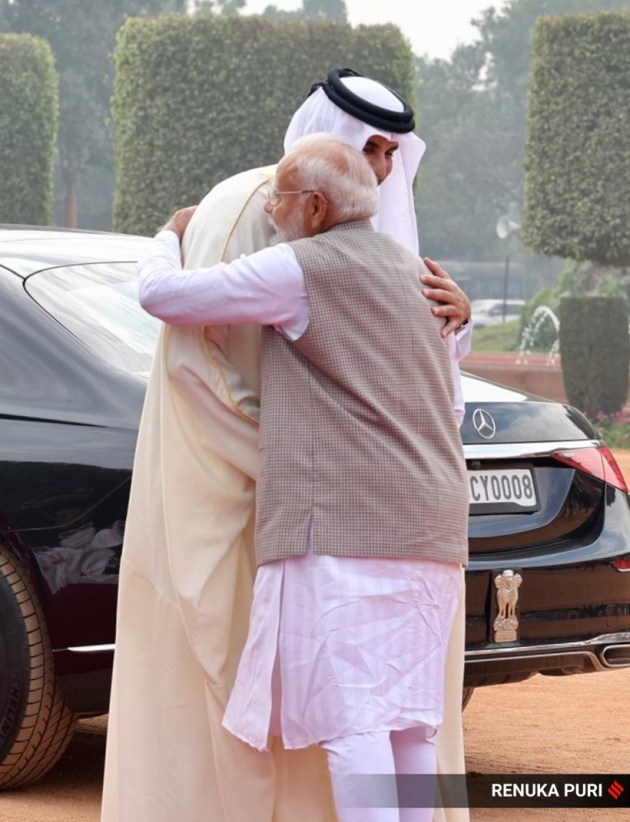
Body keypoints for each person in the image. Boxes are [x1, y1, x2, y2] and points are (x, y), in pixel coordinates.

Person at [101, 69, 471, 822]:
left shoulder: (301, 266)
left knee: (351, 721)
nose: (271, 208)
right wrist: (459, 322)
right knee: (412, 722)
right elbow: (441, 386)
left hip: (345, 530)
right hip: (433, 530)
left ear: (313, 206)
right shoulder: (412, 268)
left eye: (282, 198)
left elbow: (164, 299)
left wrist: (168, 237)